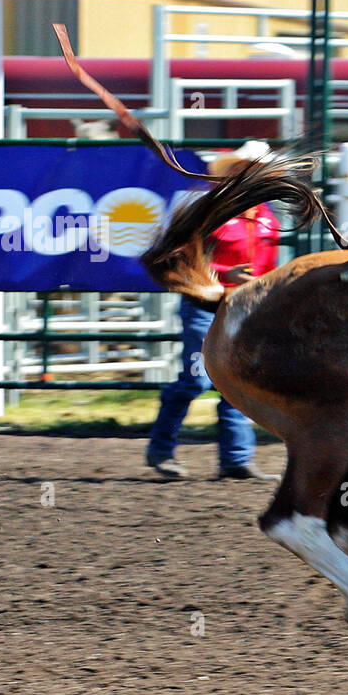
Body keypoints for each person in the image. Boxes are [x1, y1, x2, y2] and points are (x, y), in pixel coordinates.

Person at [146, 141, 282, 480]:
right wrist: (224, 275)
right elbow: (180, 260)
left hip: (243, 309)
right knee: (196, 380)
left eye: (252, 167)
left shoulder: (266, 219)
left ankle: (235, 459)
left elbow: (267, 268)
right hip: (203, 304)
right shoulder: (209, 212)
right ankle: (162, 449)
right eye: (241, 167)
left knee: (238, 382)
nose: (246, 173)